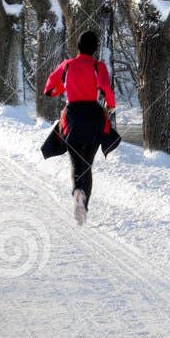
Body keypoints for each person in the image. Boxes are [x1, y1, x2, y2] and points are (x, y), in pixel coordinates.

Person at [43, 31, 114, 225]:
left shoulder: (67, 65)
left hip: (72, 118)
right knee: (87, 165)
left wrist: (64, 88)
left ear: (78, 46)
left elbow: (49, 89)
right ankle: (84, 203)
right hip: (93, 118)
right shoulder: (98, 66)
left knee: (76, 163)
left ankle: (77, 192)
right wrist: (110, 104)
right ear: (95, 48)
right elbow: (106, 89)